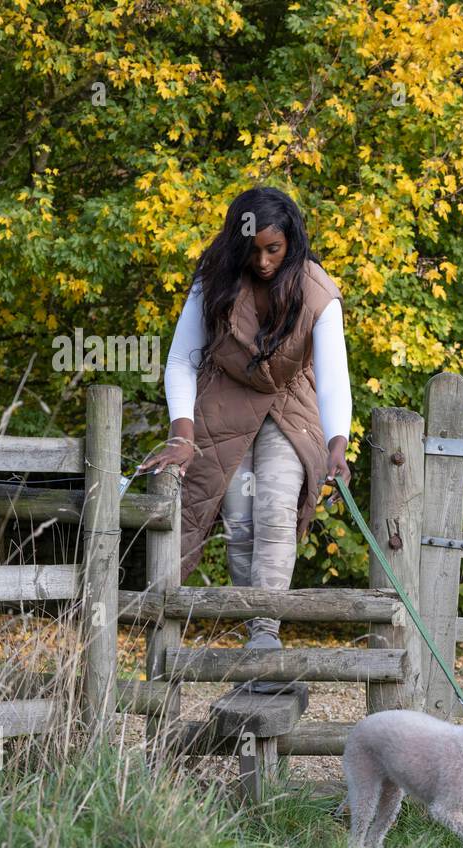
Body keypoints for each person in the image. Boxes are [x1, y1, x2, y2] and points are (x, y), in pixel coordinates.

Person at [138, 187, 352, 687]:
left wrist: (337, 443)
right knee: (238, 518)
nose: (262, 260)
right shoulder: (212, 282)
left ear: (291, 243)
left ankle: (265, 638)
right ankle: (255, 637)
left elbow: (334, 374)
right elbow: (181, 359)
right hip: (225, 403)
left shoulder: (317, 290)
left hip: (289, 407)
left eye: (273, 250)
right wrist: (182, 433)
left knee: (275, 507)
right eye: (253, 249)